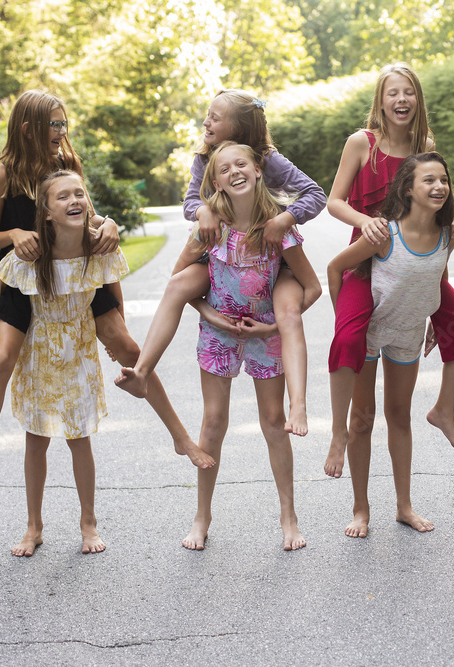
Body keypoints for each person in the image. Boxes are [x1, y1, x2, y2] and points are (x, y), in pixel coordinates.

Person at [0, 90, 203, 509]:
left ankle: (179, 435)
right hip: (24, 275)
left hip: (78, 266)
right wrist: (14, 235)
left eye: (63, 123)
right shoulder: (2, 175)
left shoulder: (67, 165)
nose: (61, 131)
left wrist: (109, 223)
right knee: (0, 361)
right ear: (28, 127)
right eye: (54, 124)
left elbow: (86, 212)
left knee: (128, 348)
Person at [115, 90, 325, 437]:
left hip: (270, 254)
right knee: (178, 284)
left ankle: (298, 404)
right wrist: (203, 209)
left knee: (287, 313)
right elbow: (189, 203)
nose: (206, 121)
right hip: (221, 249)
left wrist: (284, 220)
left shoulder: (267, 158)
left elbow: (315, 194)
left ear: (238, 129)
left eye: (214, 116)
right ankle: (142, 372)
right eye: (207, 115)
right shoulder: (204, 159)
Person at [324, 63, 454, 478]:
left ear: (418, 100)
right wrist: (364, 223)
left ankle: (443, 410)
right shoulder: (362, 143)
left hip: (418, 258)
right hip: (368, 255)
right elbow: (335, 201)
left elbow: (435, 194)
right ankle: (339, 432)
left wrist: (449, 230)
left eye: (409, 93)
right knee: (348, 339)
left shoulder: (423, 143)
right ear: (380, 100)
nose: (401, 100)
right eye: (393, 93)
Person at [178, 142, 320, 552]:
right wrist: (209, 314)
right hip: (219, 333)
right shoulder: (210, 227)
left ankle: (288, 515)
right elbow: (179, 281)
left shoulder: (278, 226)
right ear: (216, 181)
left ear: (258, 170)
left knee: (274, 424)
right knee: (213, 423)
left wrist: (269, 328)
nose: (235, 171)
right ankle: (202, 516)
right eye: (224, 169)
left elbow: (311, 288)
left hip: (264, 332)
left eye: (242, 164)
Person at [0, 170, 127, 556]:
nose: (74, 200)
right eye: (63, 196)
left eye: (79, 194)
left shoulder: (99, 250)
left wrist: (118, 337)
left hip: (80, 355)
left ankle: (89, 522)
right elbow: (0, 283)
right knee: (35, 442)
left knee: (79, 440)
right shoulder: (32, 257)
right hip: (39, 357)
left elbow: (114, 297)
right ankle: (33, 526)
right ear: (46, 212)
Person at [326, 152, 454, 537]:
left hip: (407, 336)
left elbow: (438, 275)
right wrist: (345, 323)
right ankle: (360, 509)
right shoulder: (386, 234)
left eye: (443, 181)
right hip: (369, 334)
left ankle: (404, 506)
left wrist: (437, 315)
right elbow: (336, 268)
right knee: (362, 419)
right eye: (428, 181)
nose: (438, 187)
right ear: (408, 189)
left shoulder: (448, 234)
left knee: (400, 417)